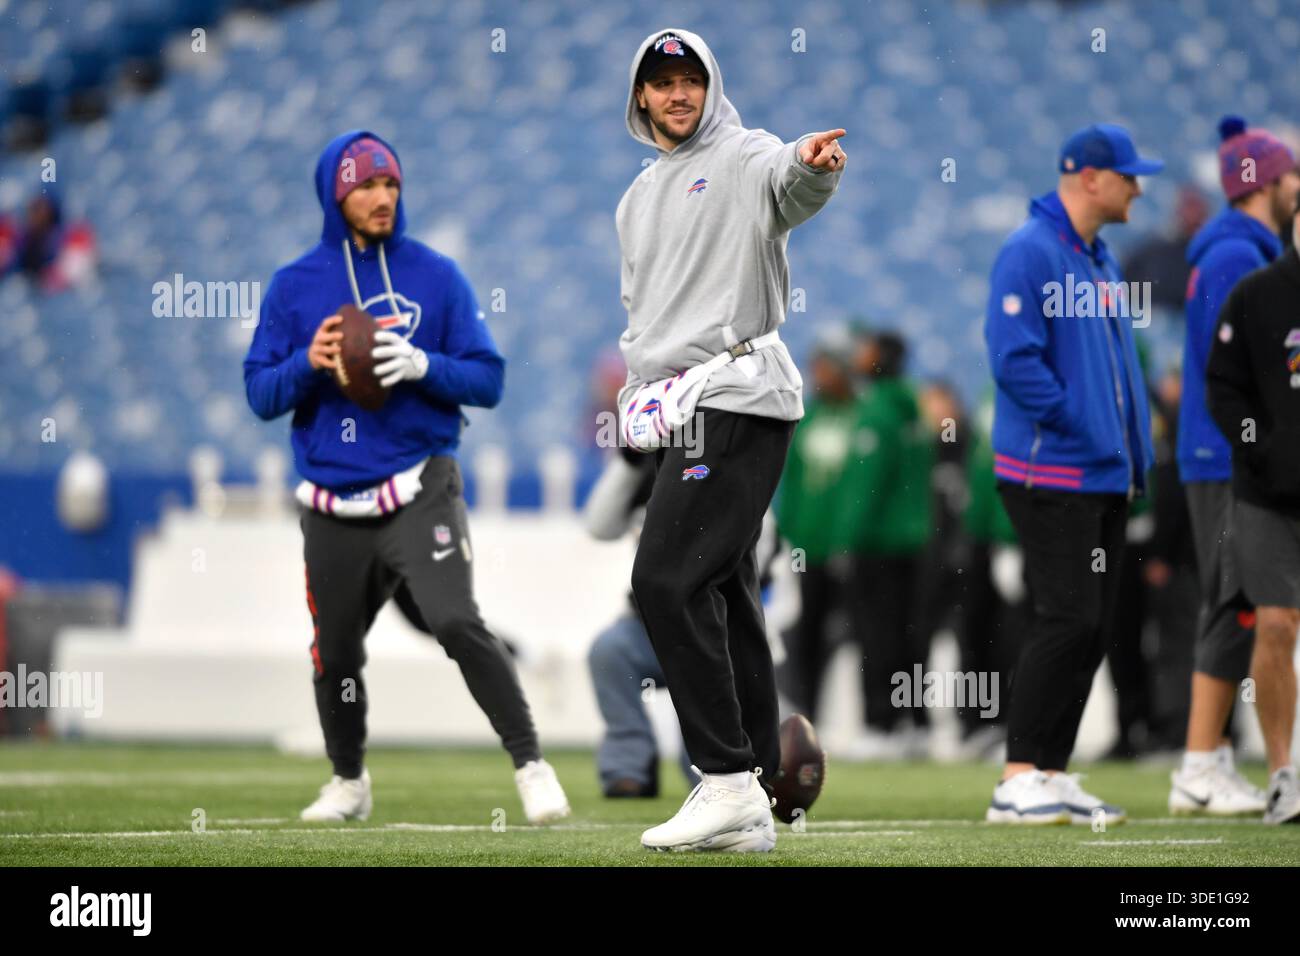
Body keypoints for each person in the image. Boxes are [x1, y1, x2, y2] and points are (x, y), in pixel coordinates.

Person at [242, 131, 569, 825]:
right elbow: (261, 394)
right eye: (365, 185)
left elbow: (489, 378)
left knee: (454, 619)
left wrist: (424, 365)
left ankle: (530, 763)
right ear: (336, 195)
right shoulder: (293, 286)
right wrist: (310, 361)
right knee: (334, 651)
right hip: (333, 496)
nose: (383, 197)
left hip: (420, 482)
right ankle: (349, 781)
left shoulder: (437, 274)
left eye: (391, 184)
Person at [616, 28, 844, 852]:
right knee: (722, 588)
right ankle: (753, 797)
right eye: (661, 82)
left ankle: (722, 779)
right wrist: (640, 393)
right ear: (640, 97)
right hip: (684, 406)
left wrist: (810, 167)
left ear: (710, 88)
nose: (677, 94)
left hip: (740, 392)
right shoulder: (636, 199)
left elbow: (789, 183)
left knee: (664, 578)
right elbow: (647, 320)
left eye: (690, 80)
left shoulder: (748, 155)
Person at [983, 123, 1162, 825]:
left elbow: (1113, 375)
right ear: (1090, 178)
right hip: (1051, 473)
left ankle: (1050, 772)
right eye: (1128, 175)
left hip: (1100, 477)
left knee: (1091, 627)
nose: (1138, 187)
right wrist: (1087, 433)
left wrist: (1126, 456)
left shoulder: (1098, 259)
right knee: (1067, 619)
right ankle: (1018, 776)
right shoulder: (1030, 251)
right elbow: (1013, 361)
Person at [1170, 116, 1298, 816]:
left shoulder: (1237, 252)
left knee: (1238, 600)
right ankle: (1198, 762)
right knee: (1233, 602)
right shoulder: (1235, 261)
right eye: (1292, 176)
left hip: (1224, 451)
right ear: (1268, 184)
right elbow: (1237, 373)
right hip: (1224, 455)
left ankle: (1209, 757)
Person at [1205, 192, 1300, 824]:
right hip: (1270, 494)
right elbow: (1223, 385)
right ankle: (1282, 776)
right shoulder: (1257, 292)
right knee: (1274, 623)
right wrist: (1259, 449)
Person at [837, 330, 933, 760]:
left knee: (875, 635)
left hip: (877, 543)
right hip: (914, 539)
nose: (859, 355)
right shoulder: (912, 405)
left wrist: (845, 539)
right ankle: (914, 723)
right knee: (909, 634)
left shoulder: (875, 410)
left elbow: (866, 485)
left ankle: (880, 722)